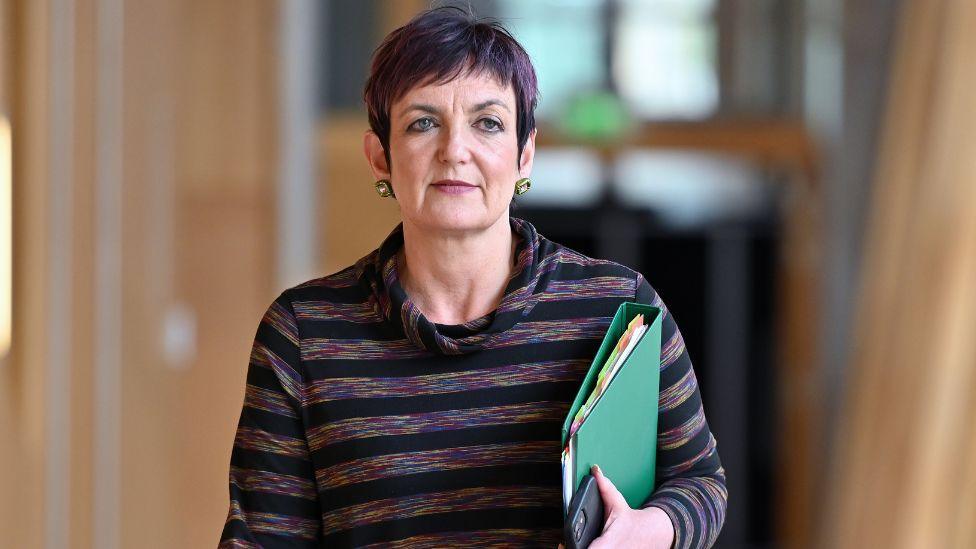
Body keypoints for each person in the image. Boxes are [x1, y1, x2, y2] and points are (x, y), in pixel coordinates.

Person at [219, 7, 726, 549]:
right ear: (380, 158)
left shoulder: (617, 310)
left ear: (524, 154)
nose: (455, 151)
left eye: (488, 123)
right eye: (423, 123)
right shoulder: (304, 333)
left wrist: (652, 531)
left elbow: (699, 483)